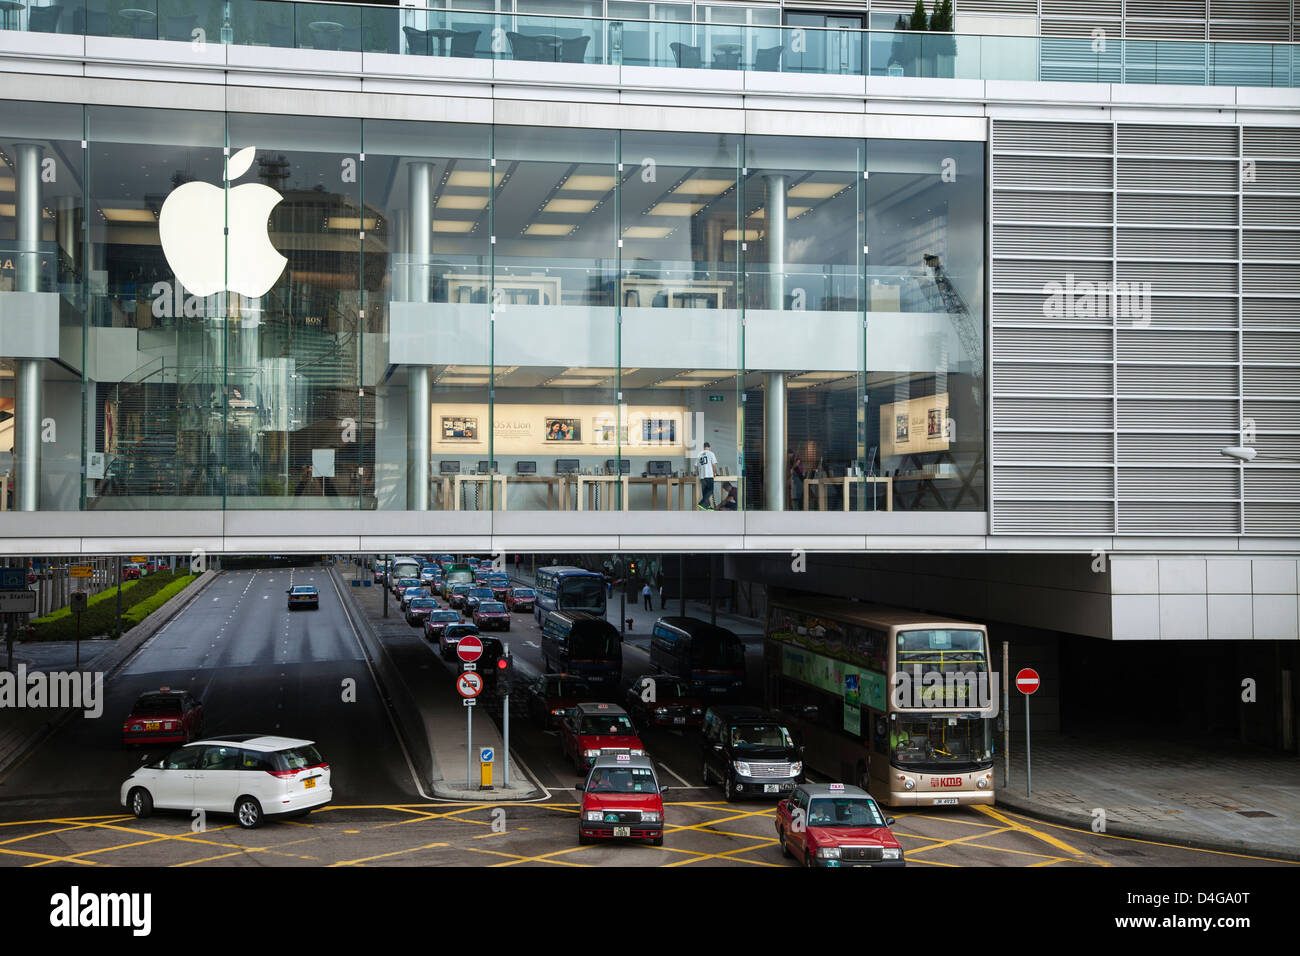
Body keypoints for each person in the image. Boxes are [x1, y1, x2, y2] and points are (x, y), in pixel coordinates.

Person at [696, 441, 718, 510]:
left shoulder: (699, 454)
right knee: (710, 491)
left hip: (702, 476)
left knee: (705, 492)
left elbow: (696, 466)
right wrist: (715, 473)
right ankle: (702, 503)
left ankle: (709, 507)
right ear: (709, 447)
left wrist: (698, 473)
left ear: (703, 447)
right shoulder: (711, 453)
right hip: (709, 475)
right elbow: (714, 465)